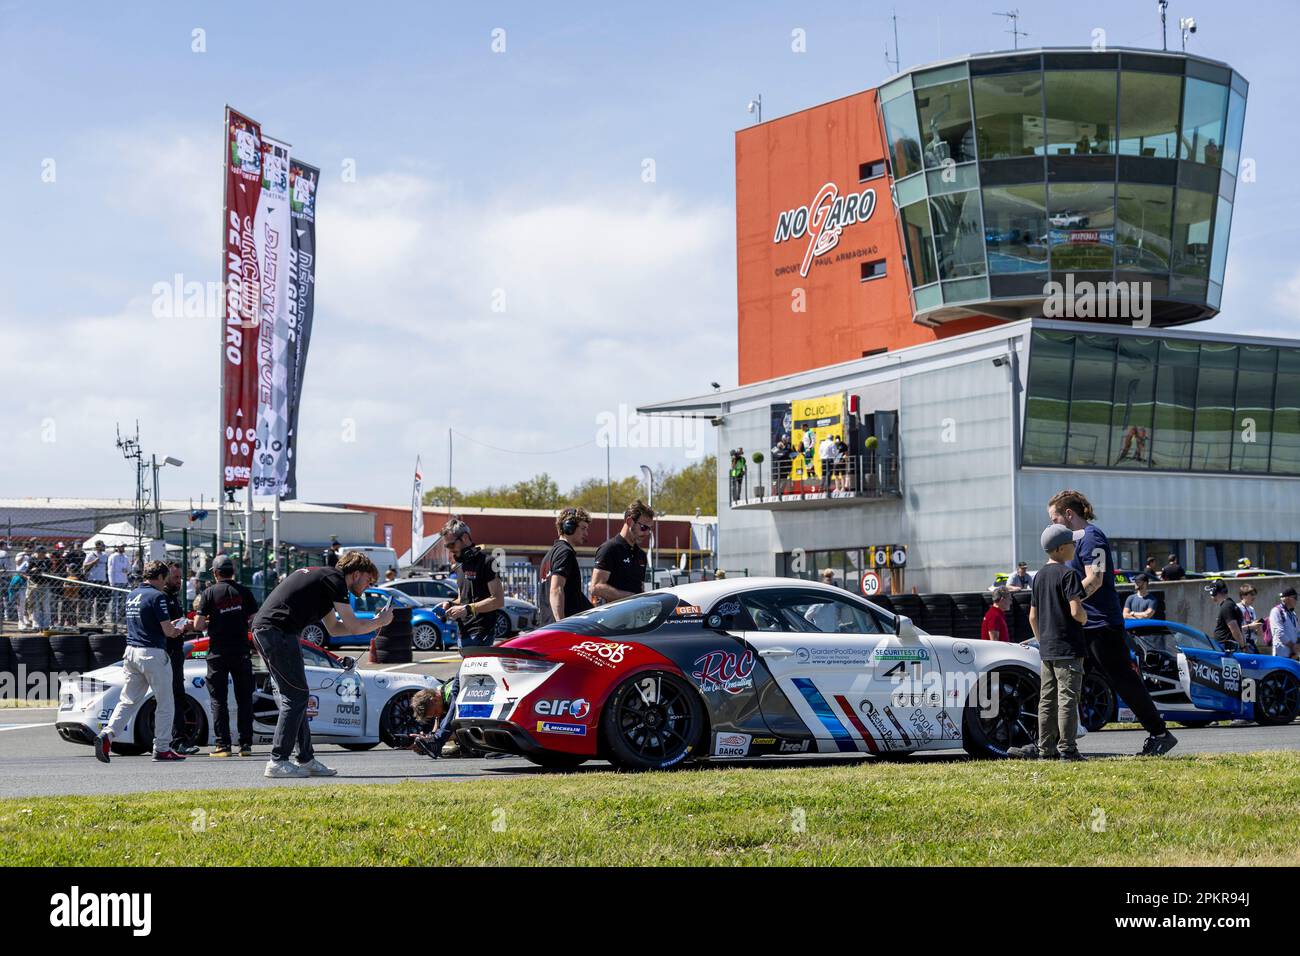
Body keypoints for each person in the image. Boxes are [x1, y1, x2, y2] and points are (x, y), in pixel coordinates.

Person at [1048, 489, 1177, 756]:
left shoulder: (1092, 538)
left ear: (1069, 515)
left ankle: (1160, 733)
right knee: (1065, 683)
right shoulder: (1073, 541)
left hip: (1101, 626)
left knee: (1122, 680)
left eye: (1054, 518)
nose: (1051, 525)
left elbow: (1094, 580)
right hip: (1083, 624)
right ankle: (1048, 743)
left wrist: (1068, 601)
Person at [251, 552, 389, 778]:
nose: (367, 587)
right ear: (355, 574)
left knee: (298, 696)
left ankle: (305, 759)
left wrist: (374, 623)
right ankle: (277, 760)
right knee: (295, 697)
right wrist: (379, 622)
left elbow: (335, 628)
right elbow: (354, 627)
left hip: (277, 632)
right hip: (276, 632)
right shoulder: (335, 580)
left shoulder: (326, 582)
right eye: (368, 581)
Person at [94, 561, 193, 763]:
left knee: (128, 700)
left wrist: (167, 626)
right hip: (152, 654)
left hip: (131, 652)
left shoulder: (132, 595)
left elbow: (147, 623)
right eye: (165, 578)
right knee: (166, 702)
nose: (166, 582)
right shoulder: (158, 596)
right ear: (160, 577)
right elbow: (167, 631)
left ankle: (108, 734)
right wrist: (178, 629)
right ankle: (162, 748)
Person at [425, 519, 506, 758]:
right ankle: (471, 742)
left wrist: (468, 609)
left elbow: (498, 600)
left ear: (465, 538)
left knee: (461, 688)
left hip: (480, 633)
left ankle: (438, 740)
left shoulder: (487, 562)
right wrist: (450, 604)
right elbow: (463, 597)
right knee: (469, 689)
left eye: (451, 545)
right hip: (464, 634)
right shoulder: (459, 565)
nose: (450, 550)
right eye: (448, 546)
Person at [1009, 524, 1088, 760]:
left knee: (1047, 699)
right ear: (1062, 548)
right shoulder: (1069, 575)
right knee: (1067, 699)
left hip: (1048, 649)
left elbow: (1033, 616)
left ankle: (1046, 749)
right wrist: (1084, 618)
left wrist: (1043, 640)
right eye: (1073, 543)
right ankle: (1068, 749)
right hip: (1069, 648)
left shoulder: (1038, 576)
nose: (1075, 546)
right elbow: (1076, 611)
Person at [194, 554, 260, 757]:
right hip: (241, 651)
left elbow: (198, 624)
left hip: (217, 653)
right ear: (233, 572)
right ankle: (246, 745)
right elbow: (254, 621)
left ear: (215, 573)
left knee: (218, 700)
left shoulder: (209, 593)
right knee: (244, 699)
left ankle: (223, 745)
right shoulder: (245, 592)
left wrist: (210, 621)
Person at [160, 562, 199, 755]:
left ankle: (173, 740)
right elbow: (166, 629)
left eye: (180, 578)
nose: (179, 581)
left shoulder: (174, 598)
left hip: (175, 654)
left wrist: (188, 625)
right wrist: (178, 628)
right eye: (176, 578)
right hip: (166, 655)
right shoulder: (162, 599)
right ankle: (177, 741)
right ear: (165, 578)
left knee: (177, 696)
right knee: (174, 696)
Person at [538, 507, 592, 628]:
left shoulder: (549, 555)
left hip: (547, 627)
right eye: (583, 528)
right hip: (558, 629)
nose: (586, 534)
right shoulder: (564, 552)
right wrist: (562, 626)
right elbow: (556, 589)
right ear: (569, 527)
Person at [591, 500, 653, 605]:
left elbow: (639, 588)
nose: (647, 533)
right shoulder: (609, 549)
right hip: (612, 618)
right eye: (644, 527)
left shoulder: (641, 555)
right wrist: (631, 598)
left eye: (649, 529)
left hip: (634, 616)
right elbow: (596, 587)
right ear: (629, 521)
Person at [1207, 579, 1245, 649]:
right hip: (1226, 647)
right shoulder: (1230, 604)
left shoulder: (1227, 606)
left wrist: (1243, 647)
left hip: (1226, 648)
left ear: (1214, 592)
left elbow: (1235, 630)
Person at [82, 541, 110, 625]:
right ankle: (88, 618)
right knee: (90, 600)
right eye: (102, 546)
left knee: (100, 601)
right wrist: (94, 562)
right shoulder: (91, 555)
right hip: (92, 580)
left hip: (102, 580)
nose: (104, 547)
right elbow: (84, 566)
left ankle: (100, 619)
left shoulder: (105, 556)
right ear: (97, 546)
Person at [1268, 587, 1298, 659]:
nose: (1297, 600)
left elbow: (1297, 631)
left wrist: (1297, 645)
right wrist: (1293, 646)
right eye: (1295, 597)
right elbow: (1279, 633)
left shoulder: (1293, 613)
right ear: (1287, 598)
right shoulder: (1276, 611)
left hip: (1293, 654)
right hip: (1281, 654)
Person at [107, 543, 130, 626]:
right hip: (115, 581)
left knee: (123, 601)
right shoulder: (113, 556)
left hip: (124, 581)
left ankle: (120, 617)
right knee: (114, 601)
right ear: (117, 547)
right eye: (121, 546)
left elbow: (129, 568)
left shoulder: (126, 557)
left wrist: (126, 570)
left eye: (124, 546)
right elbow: (110, 570)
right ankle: (113, 618)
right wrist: (111, 582)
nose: (123, 548)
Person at [1237, 584, 1265, 651]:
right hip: (1242, 644)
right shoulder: (1237, 608)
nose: (1254, 597)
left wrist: (1258, 626)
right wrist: (1251, 626)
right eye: (1251, 594)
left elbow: (1259, 634)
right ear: (1243, 595)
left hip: (1252, 643)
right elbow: (1236, 629)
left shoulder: (1251, 609)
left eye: (1254, 594)